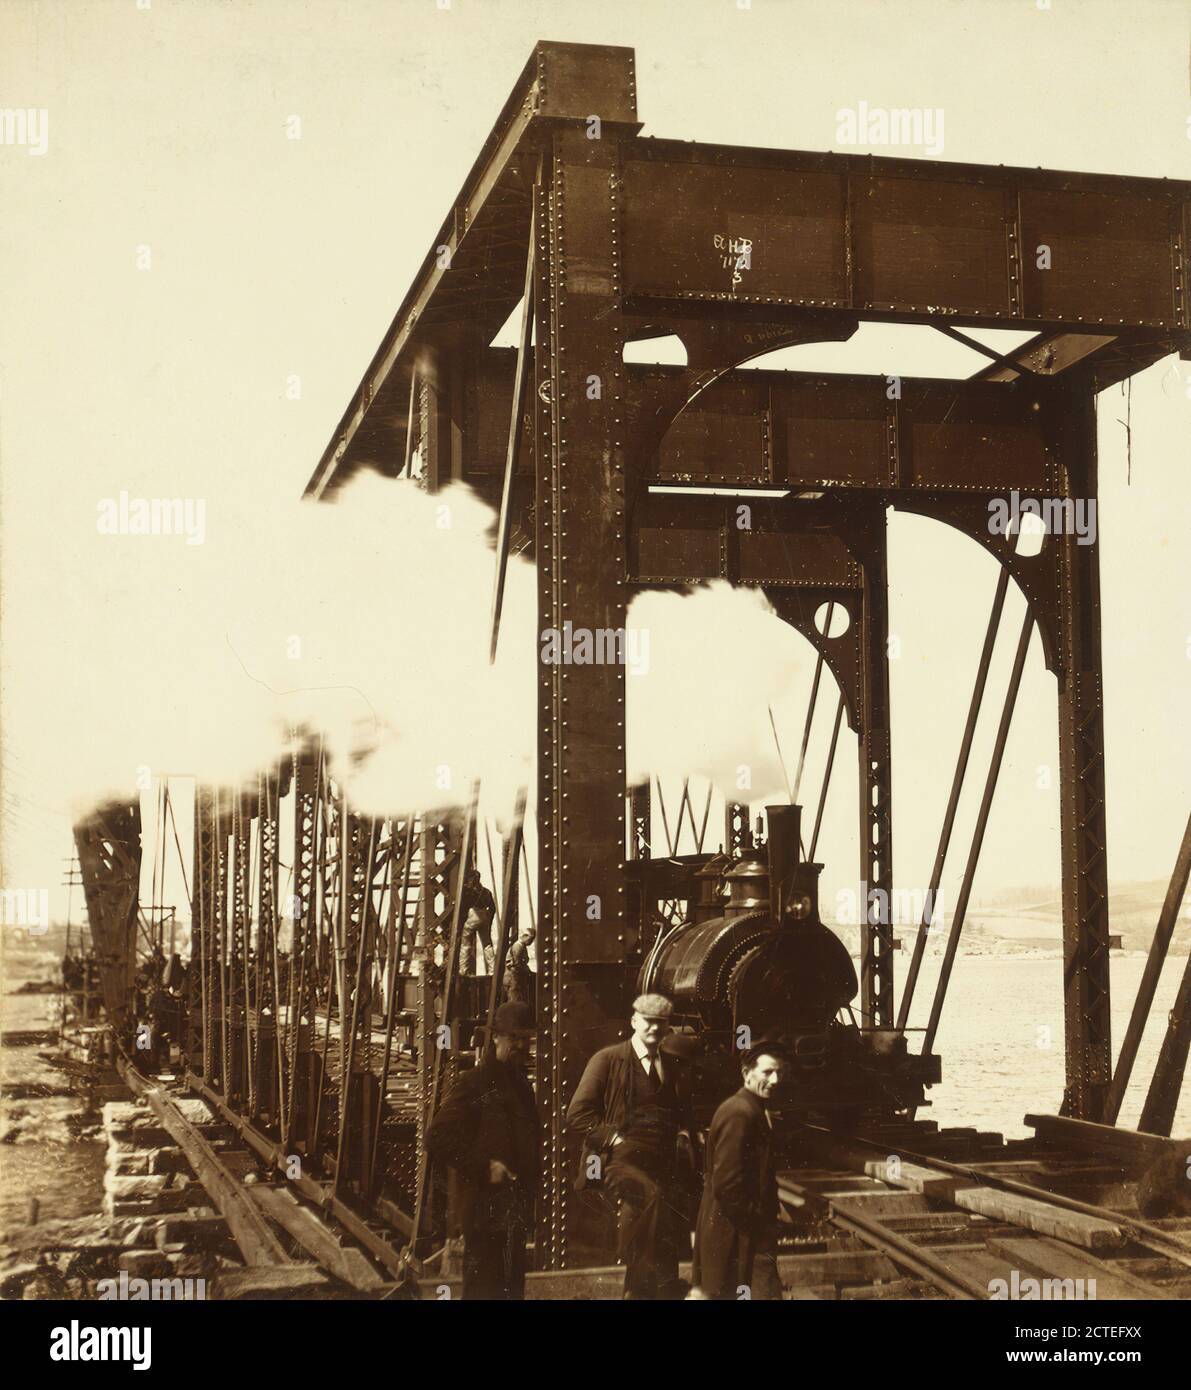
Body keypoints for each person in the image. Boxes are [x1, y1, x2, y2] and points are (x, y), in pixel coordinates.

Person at [566, 993, 694, 1299]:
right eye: (649, 1023)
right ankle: (636, 1289)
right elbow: (577, 1115)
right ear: (634, 1021)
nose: (654, 1030)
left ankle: (651, 1291)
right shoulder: (608, 1060)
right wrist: (614, 1138)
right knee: (650, 1197)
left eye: (661, 1025)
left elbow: (682, 1115)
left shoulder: (672, 1065)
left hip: (662, 1162)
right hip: (617, 1160)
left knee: (667, 1228)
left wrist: (685, 1136)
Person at [424, 1000, 538, 1299]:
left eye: (527, 1038)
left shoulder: (522, 1085)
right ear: (497, 1037)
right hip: (484, 1212)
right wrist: (485, 1167)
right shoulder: (475, 1083)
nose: (523, 1046)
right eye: (516, 1038)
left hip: (514, 1214)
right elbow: (437, 1136)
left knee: (512, 1291)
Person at [692, 1042, 788, 1300]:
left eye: (779, 1072)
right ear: (747, 1073)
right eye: (767, 1072)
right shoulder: (740, 1112)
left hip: (742, 1231)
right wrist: (756, 1222)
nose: (775, 1079)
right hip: (736, 1233)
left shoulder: (753, 1109)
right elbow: (727, 1183)